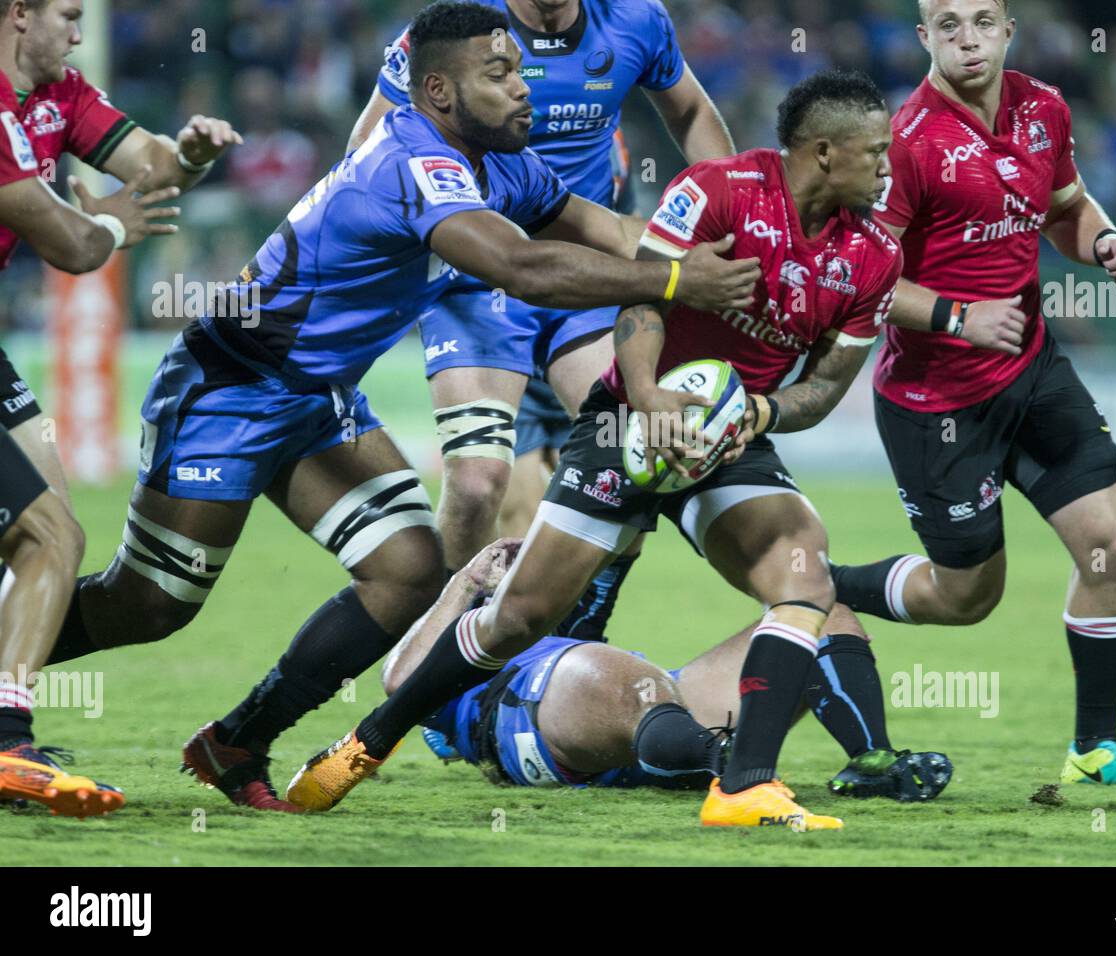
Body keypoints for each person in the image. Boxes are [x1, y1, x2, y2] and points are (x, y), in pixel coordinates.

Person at [41, 1, 757, 812]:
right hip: (230, 387)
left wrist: (720, 249)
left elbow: (610, 228)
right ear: (441, 93)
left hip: (314, 396)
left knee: (410, 572)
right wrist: (672, 282)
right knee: (150, 606)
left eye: (520, 67)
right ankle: (8, 682)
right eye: (501, 74)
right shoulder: (415, 162)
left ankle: (237, 739)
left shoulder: (505, 162)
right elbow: (521, 270)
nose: (528, 90)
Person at [289, 68, 904, 831]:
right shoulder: (715, 191)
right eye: (876, 153)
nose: (889, 167)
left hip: (726, 437)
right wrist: (648, 400)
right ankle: (367, 743)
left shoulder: (876, 256)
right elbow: (644, 297)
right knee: (517, 618)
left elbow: (828, 385)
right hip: (628, 420)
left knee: (804, 572)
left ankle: (744, 784)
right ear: (821, 153)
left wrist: (762, 410)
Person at [829, 0, 1116, 785]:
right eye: (948, 25)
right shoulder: (904, 144)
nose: (968, 39)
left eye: (983, 21)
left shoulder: (1043, 109)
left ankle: (1095, 749)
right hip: (935, 401)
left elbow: (1065, 209)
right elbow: (861, 279)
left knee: (1107, 542)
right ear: (923, 37)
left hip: (1031, 370)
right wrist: (957, 316)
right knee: (966, 598)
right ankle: (815, 586)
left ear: (1009, 27)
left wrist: (1106, 240)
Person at [351, 0, 736, 639]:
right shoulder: (458, 33)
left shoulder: (637, 21)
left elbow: (690, 109)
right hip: (478, 282)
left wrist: (725, 212)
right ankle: (431, 658)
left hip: (584, 275)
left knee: (629, 446)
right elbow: (367, 147)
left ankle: (576, 638)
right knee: (479, 485)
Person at [0, 0, 239, 815]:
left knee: (49, 538)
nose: (77, 31)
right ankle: (4, 742)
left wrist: (193, 159)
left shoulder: (60, 98)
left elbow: (152, 166)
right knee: (51, 536)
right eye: (66, 14)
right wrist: (105, 221)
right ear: (18, 13)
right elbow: (71, 245)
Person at [383, 540, 952, 803]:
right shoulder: (462, 655)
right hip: (524, 720)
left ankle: (874, 763)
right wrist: (463, 584)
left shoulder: (547, 622)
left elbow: (610, 559)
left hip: (638, 709)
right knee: (629, 679)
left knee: (821, 615)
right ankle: (729, 766)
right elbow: (398, 682)